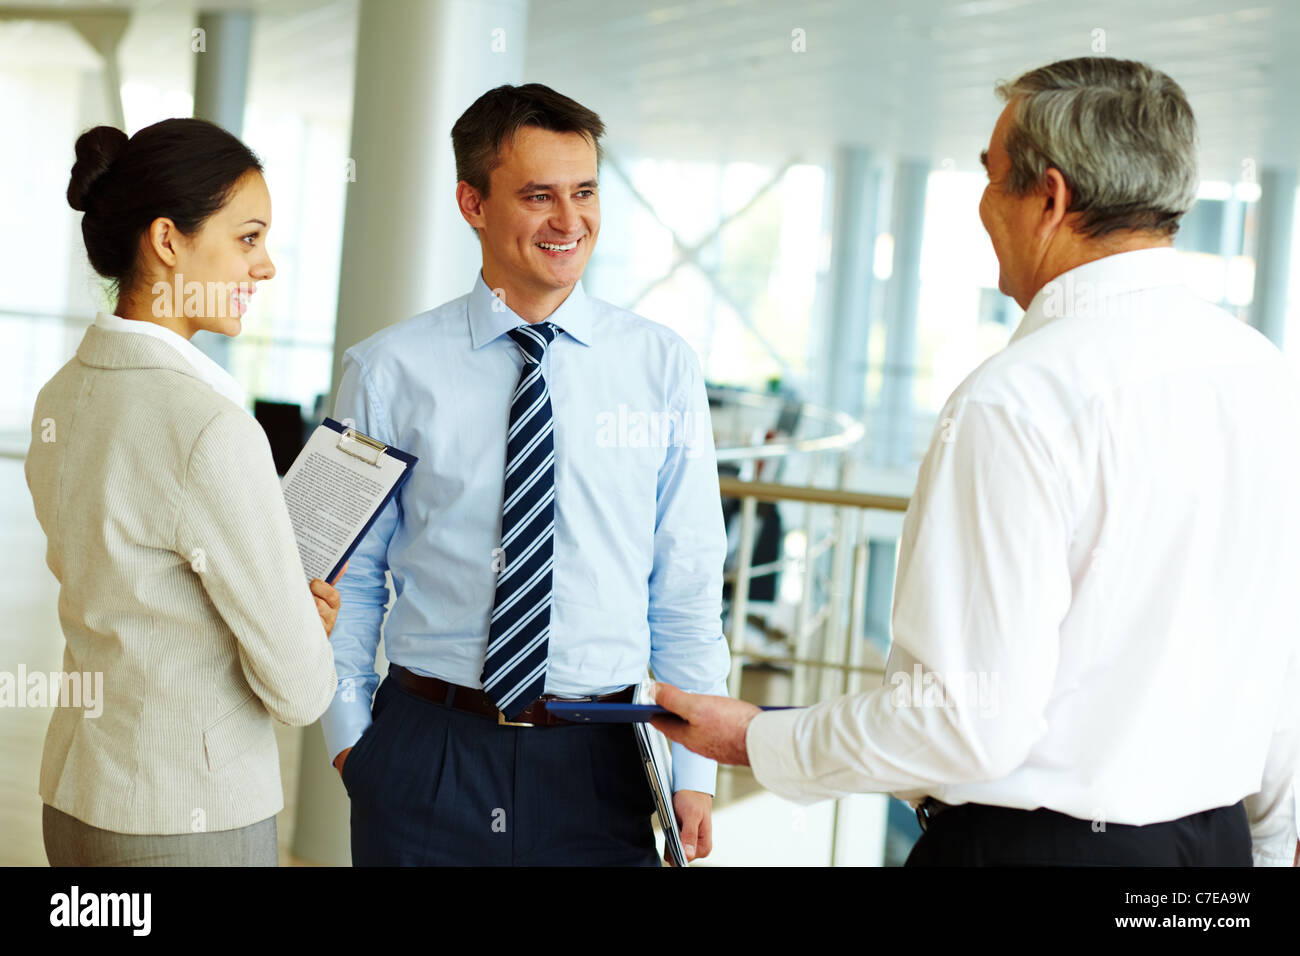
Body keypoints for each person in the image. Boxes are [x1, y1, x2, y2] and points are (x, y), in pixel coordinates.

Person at [651, 56, 1300, 867]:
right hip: (1213, 851)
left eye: (991, 176)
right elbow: (1279, 660)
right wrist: (1270, 848)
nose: (982, 203)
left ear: (1050, 200)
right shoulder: (1265, 374)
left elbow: (963, 723)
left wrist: (760, 738)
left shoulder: (1016, 400)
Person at [322, 83, 730, 866]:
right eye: (538, 196)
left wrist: (694, 772)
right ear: (471, 203)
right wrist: (353, 747)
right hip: (426, 752)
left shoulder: (662, 369)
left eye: (584, 193)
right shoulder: (382, 369)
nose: (569, 221)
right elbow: (345, 576)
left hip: (601, 760)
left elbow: (684, 584)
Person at [26, 118, 344, 866]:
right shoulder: (208, 428)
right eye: (248, 238)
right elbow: (300, 691)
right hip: (185, 819)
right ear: (167, 241)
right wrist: (303, 622)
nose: (265, 267)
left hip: (78, 800)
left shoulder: (59, 396)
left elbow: (145, 593)